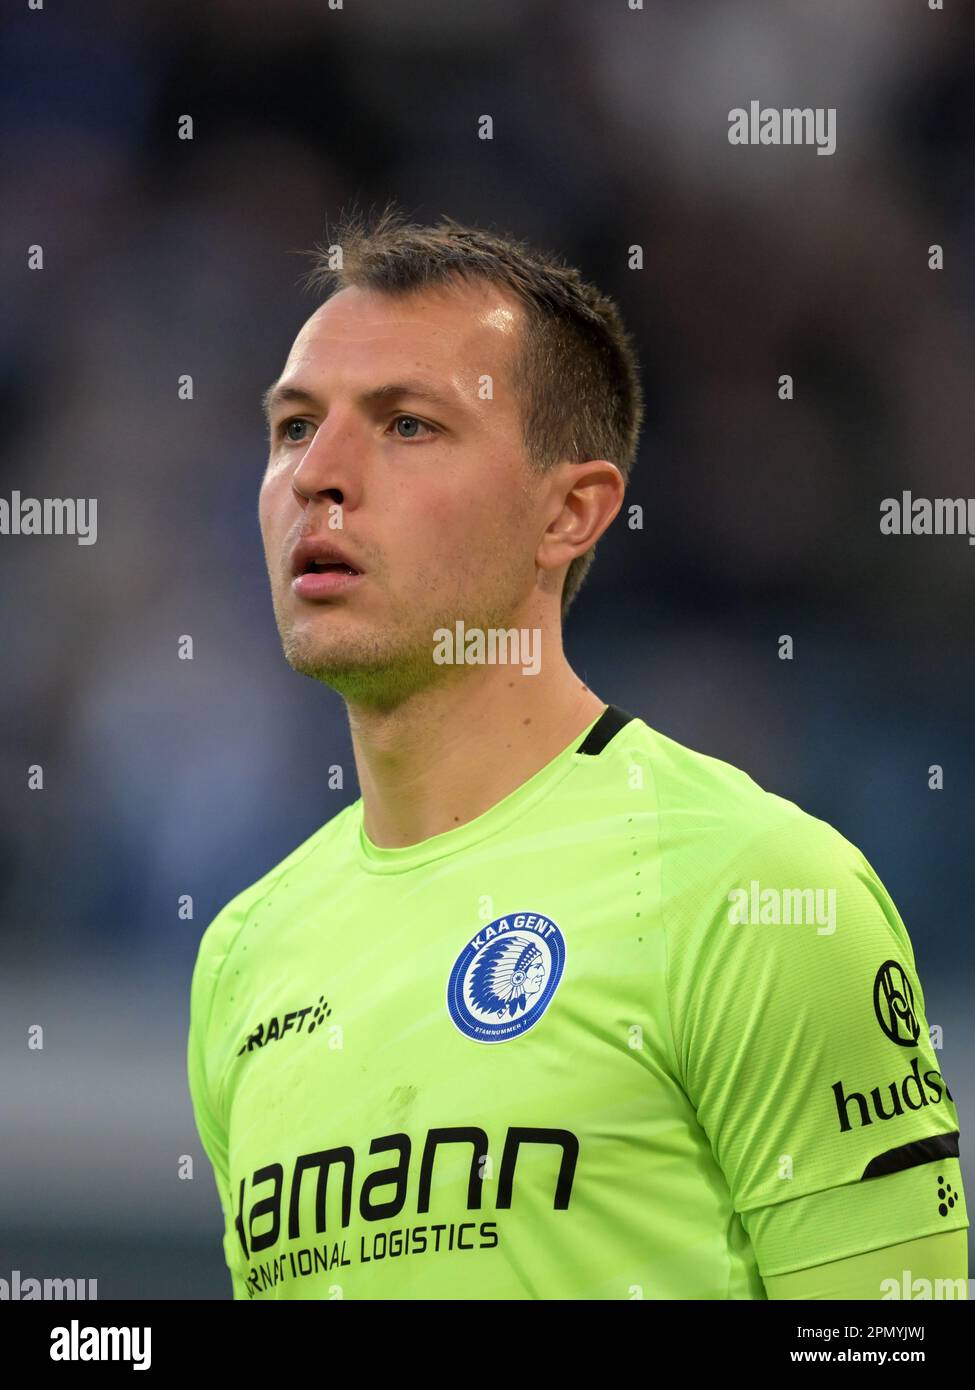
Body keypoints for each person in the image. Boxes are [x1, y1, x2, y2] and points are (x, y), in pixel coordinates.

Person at [187, 206, 968, 1300]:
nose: (321, 472)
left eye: (408, 424)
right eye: (293, 427)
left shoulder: (754, 888)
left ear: (571, 513)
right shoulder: (243, 954)